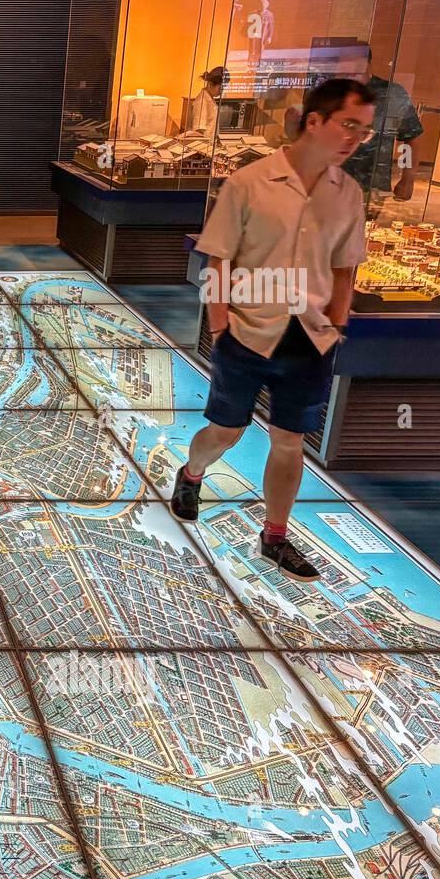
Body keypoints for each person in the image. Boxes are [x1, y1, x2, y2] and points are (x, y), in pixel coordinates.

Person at [170, 78, 377, 583]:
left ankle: (275, 535)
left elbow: (346, 266)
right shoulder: (250, 183)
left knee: (289, 441)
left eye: (364, 131)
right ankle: (191, 474)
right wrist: (220, 328)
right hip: (245, 333)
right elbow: (218, 258)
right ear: (315, 121)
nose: (354, 138)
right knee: (227, 430)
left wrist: (337, 322)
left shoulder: (347, 193)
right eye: (348, 124)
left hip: (310, 340)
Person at [340, 47, 423, 204]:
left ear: (367, 64)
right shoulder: (332, 92)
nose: (349, 68)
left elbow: (411, 137)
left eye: (354, 62)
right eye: (344, 63)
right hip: (331, 180)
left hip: (372, 184)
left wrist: (408, 178)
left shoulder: (391, 93)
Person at [189, 66, 226, 134]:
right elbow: (199, 130)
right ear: (210, 84)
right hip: (204, 142)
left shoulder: (210, 98)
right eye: (220, 88)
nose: (221, 91)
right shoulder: (202, 101)